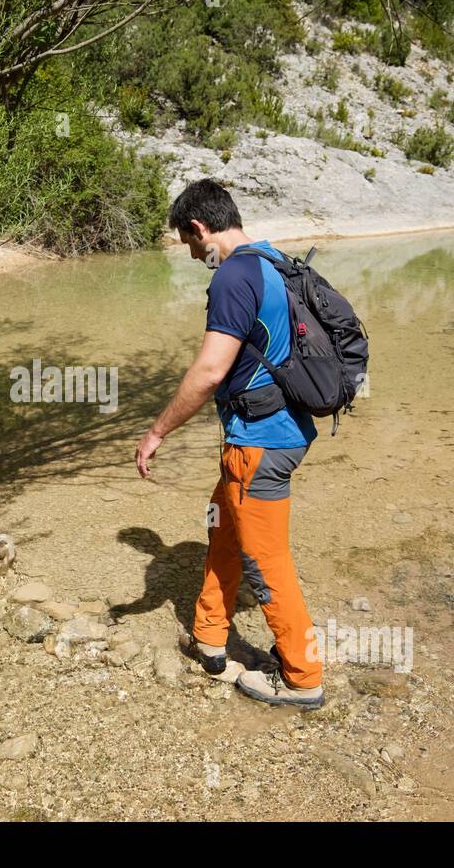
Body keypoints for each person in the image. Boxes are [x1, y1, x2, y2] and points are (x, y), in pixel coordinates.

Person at [134, 178, 324, 708]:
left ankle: (303, 677)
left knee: (267, 563)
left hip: (259, 444)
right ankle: (211, 638)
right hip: (280, 429)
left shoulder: (232, 277)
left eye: (191, 245)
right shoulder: (271, 261)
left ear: (200, 227)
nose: (196, 256)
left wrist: (156, 433)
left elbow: (210, 371)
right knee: (222, 525)